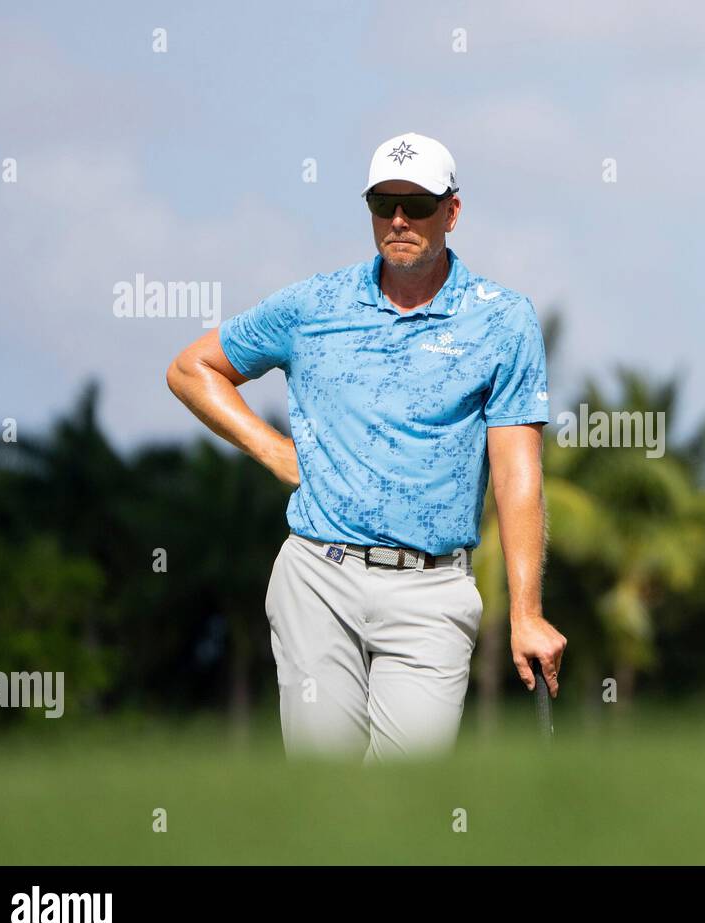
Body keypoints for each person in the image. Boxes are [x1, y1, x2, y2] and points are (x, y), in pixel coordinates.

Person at [166, 132, 567, 761]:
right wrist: (276, 453)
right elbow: (193, 369)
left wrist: (527, 612)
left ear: (452, 213)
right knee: (328, 799)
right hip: (316, 580)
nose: (399, 220)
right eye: (384, 204)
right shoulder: (313, 305)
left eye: (418, 204)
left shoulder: (502, 319)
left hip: (432, 591)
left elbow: (518, 473)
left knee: (406, 800)